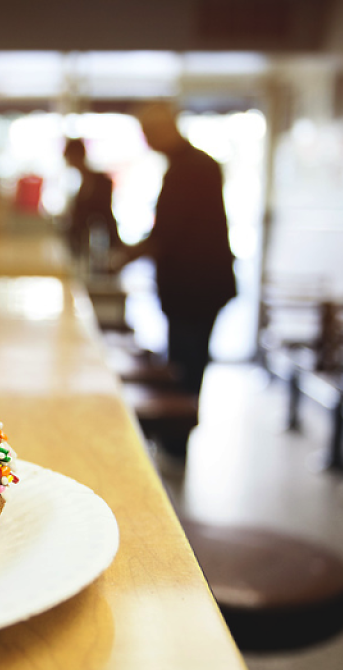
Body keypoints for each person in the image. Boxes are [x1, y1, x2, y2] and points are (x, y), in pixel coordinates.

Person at [119, 102, 238, 454]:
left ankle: (176, 443)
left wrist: (126, 256)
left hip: (196, 287)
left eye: (148, 132)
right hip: (197, 286)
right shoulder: (193, 164)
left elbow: (169, 233)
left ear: (165, 128)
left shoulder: (191, 167)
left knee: (187, 365)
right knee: (186, 361)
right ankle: (176, 440)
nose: (147, 140)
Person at [62, 137, 122, 267]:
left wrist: (115, 248)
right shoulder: (83, 181)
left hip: (100, 244)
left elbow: (105, 214)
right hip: (87, 246)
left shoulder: (100, 181)